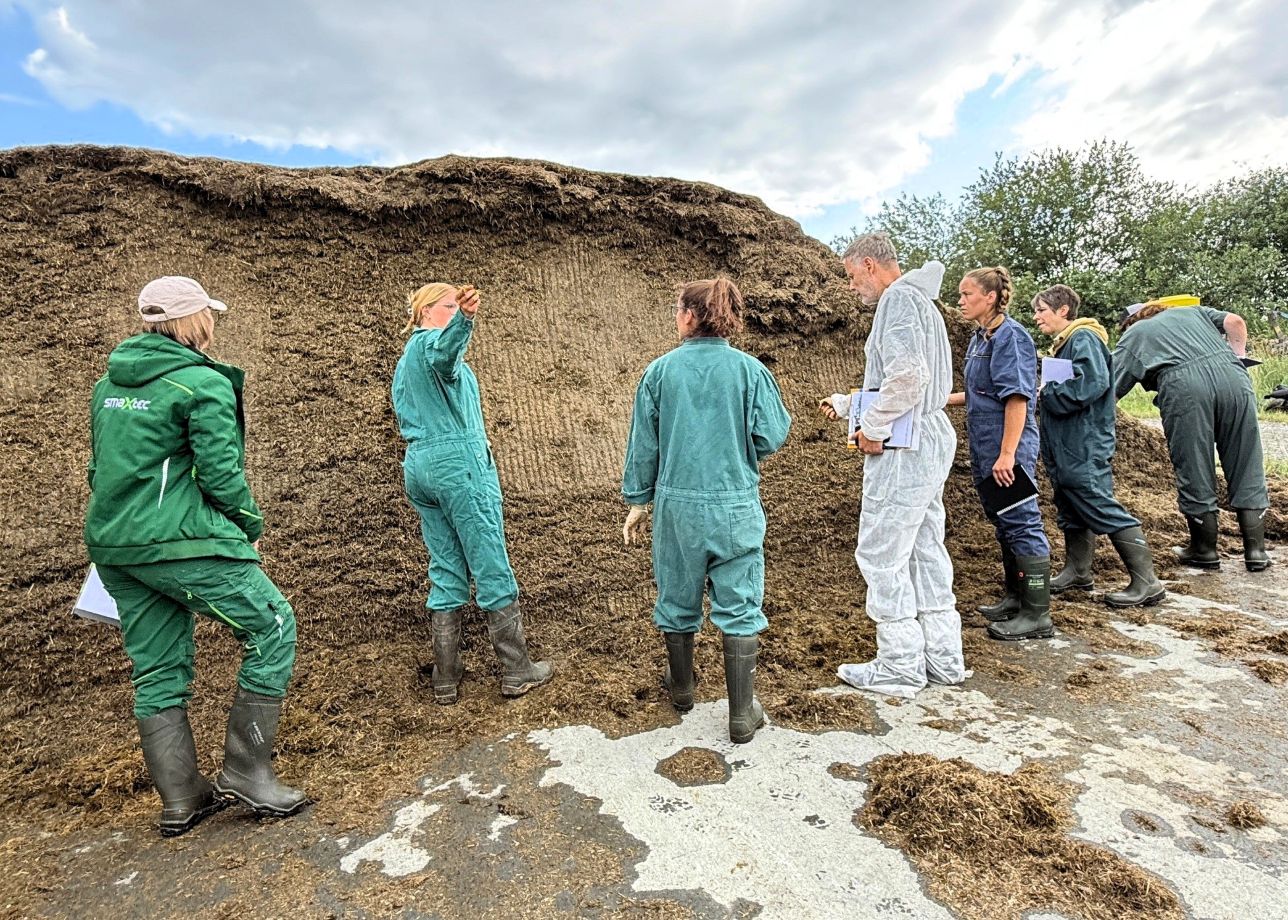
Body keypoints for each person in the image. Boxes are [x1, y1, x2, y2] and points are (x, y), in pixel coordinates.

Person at [85, 276, 307, 837]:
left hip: (116, 546)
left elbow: (99, 472)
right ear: (192, 321)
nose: (213, 323)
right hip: (178, 542)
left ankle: (182, 798)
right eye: (208, 314)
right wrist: (247, 527)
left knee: (157, 669)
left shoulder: (107, 386)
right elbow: (221, 474)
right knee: (273, 623)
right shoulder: (199, 385)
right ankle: (245, 769)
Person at [622, 278, 791, 744]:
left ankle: (681, 690)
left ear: (692, 315)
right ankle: (740, 715)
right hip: (734, 501)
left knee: (677, 598)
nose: (676, 316)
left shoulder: (659, 373)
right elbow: (772, 435)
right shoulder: (750, 371)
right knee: (739, 606)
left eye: (679, 309)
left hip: (677, 506)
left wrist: (639, 500)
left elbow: (644, 444)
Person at [821, 232, 968, 698]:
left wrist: (873, 428)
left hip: (905, 446)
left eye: (850, 276)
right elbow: (920, 385)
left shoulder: (898, 303)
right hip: (930, 434)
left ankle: (900, 664)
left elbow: (907, 378)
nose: (851, 287)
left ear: (869, 264)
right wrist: (852, 404)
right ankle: (944, 657)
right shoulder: (924, 304)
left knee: (882, 551)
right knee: (925, 543)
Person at [394, 283, 552, 704]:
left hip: (419, 465)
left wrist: (459, 318)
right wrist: (465, 319)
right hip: (457, 464)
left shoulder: (404, 360)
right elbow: (447, 357)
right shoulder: (430, 344)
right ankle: (517, 669)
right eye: (448, 305)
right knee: (490, 562)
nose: (454, 310)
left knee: (445, 566)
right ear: (428, 311)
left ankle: (446, 677)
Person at [1032, 285, 1165, 607]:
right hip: (1067, 438)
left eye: (1041, 311)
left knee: (1095, 499)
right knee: (1070, 501)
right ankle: (1078, 571)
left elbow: (1091, 384)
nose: (1036, 318)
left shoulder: (1083, 338)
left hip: (1084, 439)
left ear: (1063, 310)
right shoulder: (1065, 344)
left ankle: (1147, 581)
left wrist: (1046, 395)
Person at [1114, 300, 1269, 571]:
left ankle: (1205, 550)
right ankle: (1256, 552)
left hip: (1186, 389)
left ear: (1130, 321)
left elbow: (1109, 388)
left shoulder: (1135, 334)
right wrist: (1237, 356)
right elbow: (1236, 321)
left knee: (1194, 463)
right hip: (1234, 377)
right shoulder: (1190, 311)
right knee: (1246, 461)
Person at [948, 266, 1053, 641]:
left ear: (990, 297)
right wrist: (939, 400)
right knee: (1003, 520)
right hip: (984, 444)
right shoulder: (981, 338)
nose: (960, 301)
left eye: (967, 294)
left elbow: (1017, 398)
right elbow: (981, 392)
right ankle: (1015, 596)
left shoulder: (1012, 337)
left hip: (1007, 447)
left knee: (1022, 521)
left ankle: (1037, 615)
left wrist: (1008, 453)